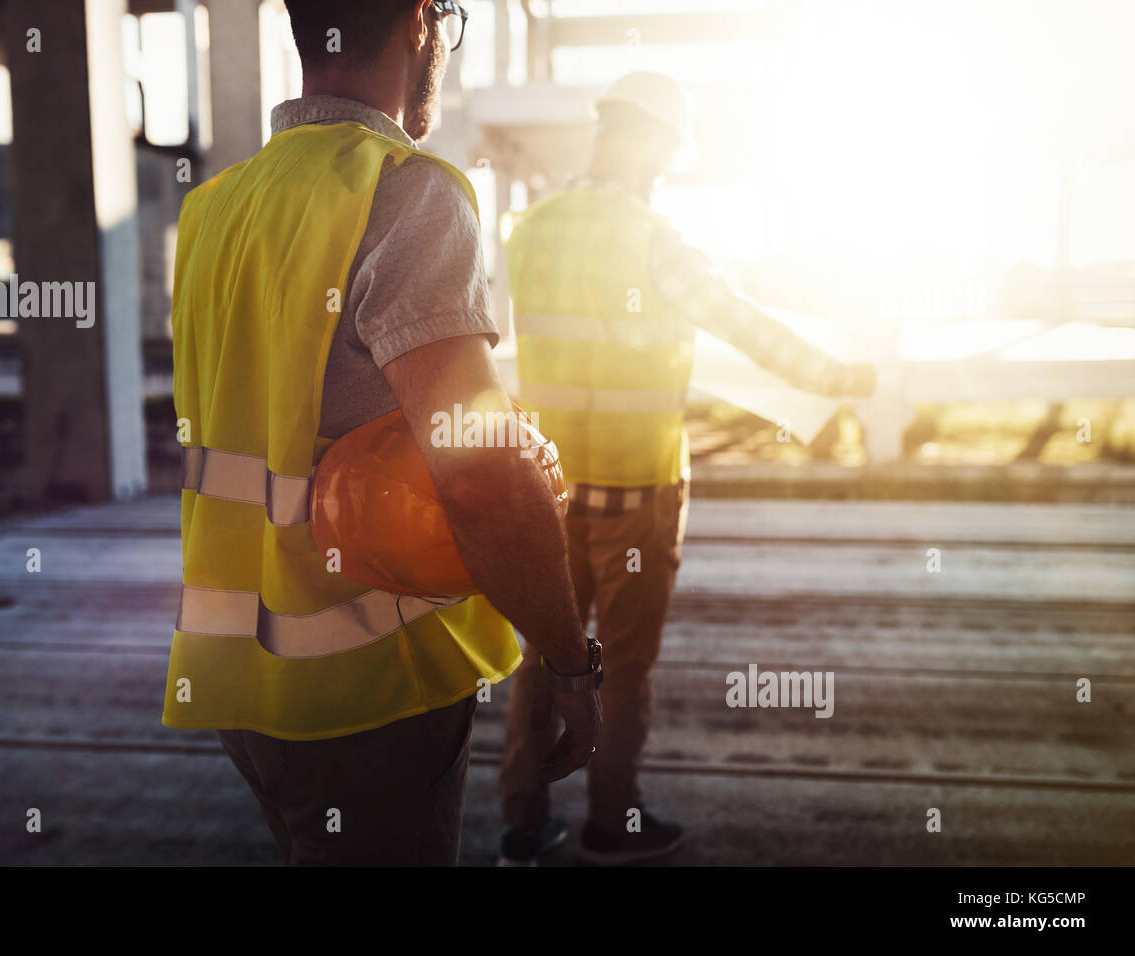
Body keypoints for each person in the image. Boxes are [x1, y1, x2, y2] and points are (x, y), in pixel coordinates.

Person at [162, 0, 599, 866]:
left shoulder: (214, 210)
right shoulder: (407, 196)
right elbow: (479, 476)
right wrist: (566, 658)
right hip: (368, 688)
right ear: (419, 21)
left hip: (236, 680)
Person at [498, 72, 877, 866]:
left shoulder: (527, 230)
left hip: (549, 499)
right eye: (667, 149)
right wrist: (842, 378)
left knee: (541, 661)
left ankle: (524, 826)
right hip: (638, 499)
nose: (665, 167)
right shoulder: (655, 239)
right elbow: (747, 327)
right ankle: (611, 822)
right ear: (647, 142)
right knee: (624, 671)